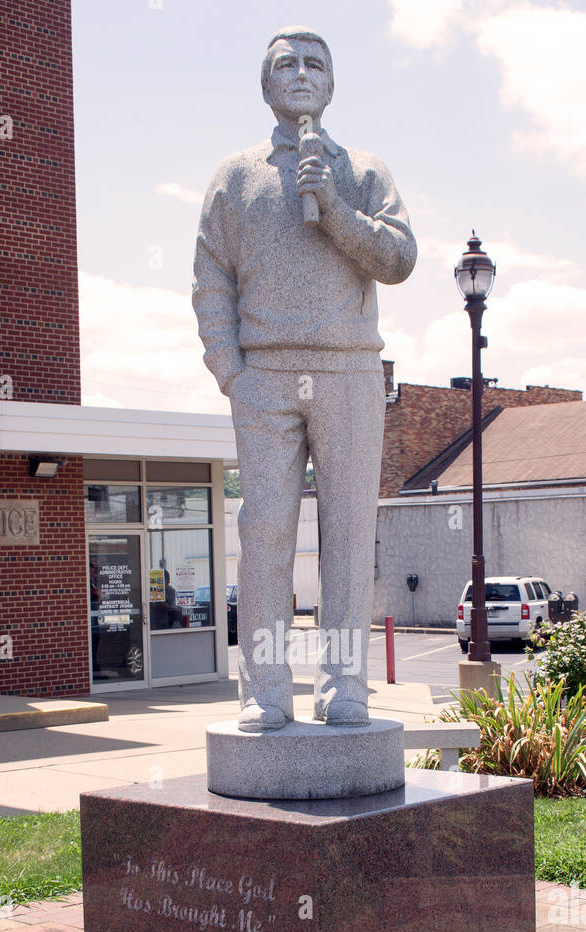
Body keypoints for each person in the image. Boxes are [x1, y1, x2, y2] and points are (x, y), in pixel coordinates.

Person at [193, 27, 416, 731]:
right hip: (266, 371)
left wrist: (338, 213)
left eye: (314, 63)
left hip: (348, 368)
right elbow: (210, 278)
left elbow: (399, 258)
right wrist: (231, 370)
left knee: (348, 530)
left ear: (331, 83)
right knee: (264, 534)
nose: (300, 73)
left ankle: (344, 682)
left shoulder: (362, 169)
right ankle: (264, 687)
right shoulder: (236, 175)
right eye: (285, 63)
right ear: (265, 83)